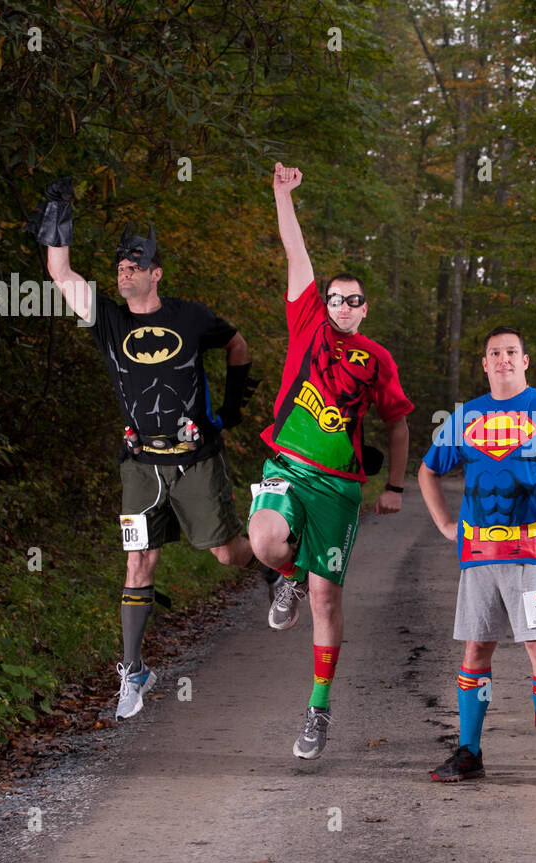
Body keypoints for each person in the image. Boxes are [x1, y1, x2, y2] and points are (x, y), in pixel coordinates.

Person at [29, 177, 267, 721]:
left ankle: (276, 561)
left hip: (195, 460)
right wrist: (58, 214)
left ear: (156, 272)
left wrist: (230, 409)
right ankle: (133, 670)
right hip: (140, 464)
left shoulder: (189, 318)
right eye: (120, 264)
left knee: (227, 553)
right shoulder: (107, 321)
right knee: (139, 560)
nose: (125, 269)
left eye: (136, 263)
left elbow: (236, 343)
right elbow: (59, 273)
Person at [248, 162, 413, 760]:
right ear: (328, 301)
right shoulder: (307, 323)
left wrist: (393, 485)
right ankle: (282, 581)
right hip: (286, 465)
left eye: (355, 301)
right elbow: (297, 256)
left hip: (340, 486)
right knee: (265, 540)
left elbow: (398, 422)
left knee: (327, 599)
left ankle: (318, 709)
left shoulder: (377, 359)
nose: (344, 305)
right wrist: (282, 196)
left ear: (366, 309)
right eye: (337, 297)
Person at [421, 327, 536, 786]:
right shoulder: (466, 416)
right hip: (479, 549)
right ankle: (469, 752)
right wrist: (445, 525)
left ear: (525, 361)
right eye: (494, 353)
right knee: (476, 648)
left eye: (511, 352)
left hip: (534, 551)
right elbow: (428, 470)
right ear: (484, 364)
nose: (503, 359)